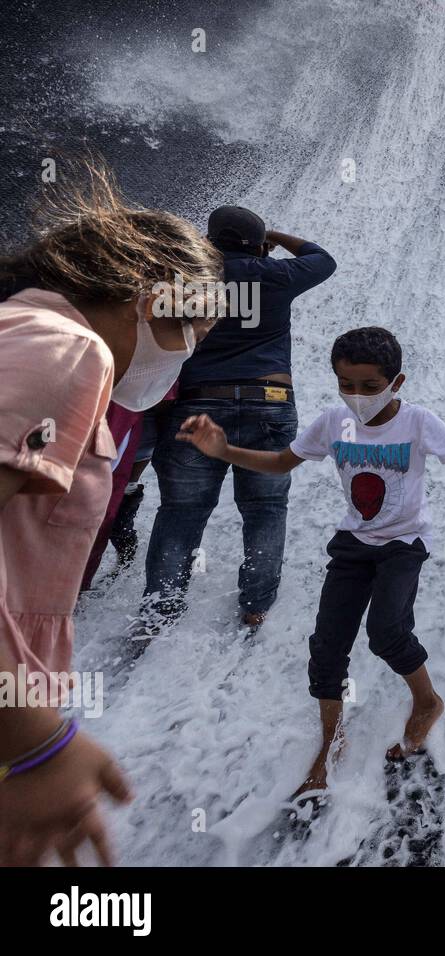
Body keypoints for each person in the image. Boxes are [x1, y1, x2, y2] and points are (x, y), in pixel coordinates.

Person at [173, 327, 445, 800]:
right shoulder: (331, 422)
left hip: (405, 542)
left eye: (368, 385)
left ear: (396, 382)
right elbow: (281, 462)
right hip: (353, 542)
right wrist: (223, 452)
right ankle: (330, 739)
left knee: (387, 632)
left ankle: (427, 702)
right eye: (345, 383)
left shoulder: (420, 422)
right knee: (326, 645)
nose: (356, 396)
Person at [0, 157, 222, 863]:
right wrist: (34, 743)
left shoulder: (33, 338)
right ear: (151, 299)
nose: (184, 357)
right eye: (192, 333)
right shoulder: (65, 348)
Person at [142, 205, 337, 635]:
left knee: (180, 512)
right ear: (258, 244)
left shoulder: (185, 278)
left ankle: (160, 610)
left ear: (210, 242)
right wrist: (276, 237)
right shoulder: (275, 275)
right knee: (266, 508)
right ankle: (255, 606)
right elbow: (324, 260)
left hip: (196, 404)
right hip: (267, 400)